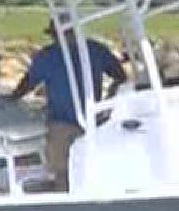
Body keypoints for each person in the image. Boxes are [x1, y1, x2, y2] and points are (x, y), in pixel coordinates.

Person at [10, 22, 128, 190]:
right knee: (89, 168)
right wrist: (110, 99)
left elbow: (26, 84)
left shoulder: (48, 55)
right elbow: (121, 77)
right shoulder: (95, 50)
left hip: (63, 123)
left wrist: (9, 100)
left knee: (63, 173)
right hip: (92, 121)